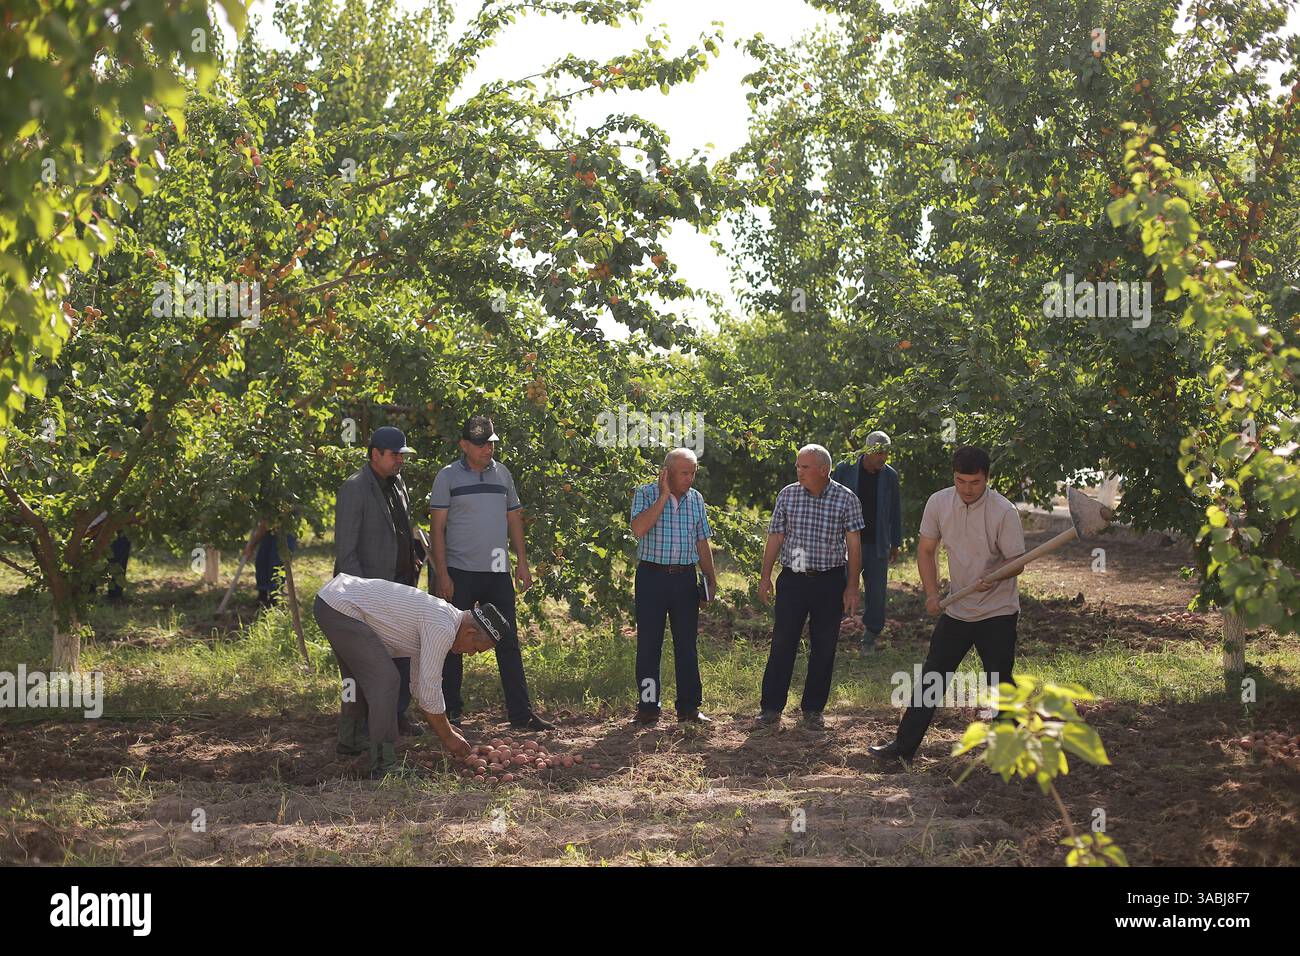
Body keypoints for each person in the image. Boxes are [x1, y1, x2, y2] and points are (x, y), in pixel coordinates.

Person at [869, 445, 1026, 764]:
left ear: (987, 479)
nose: (967, 489)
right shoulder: (939, 502)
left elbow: (1017, 561)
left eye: (975, 482)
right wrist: (931, 593)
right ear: (953, 476)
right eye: (961, 481)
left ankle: (1007, 753)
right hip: (957, 610)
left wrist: (994, 577)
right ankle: (903, 749)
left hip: (997, 612)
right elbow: (926, 550)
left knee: (1000, 683)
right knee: (932, 678)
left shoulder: (1004, 511)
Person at [427, 414, 554, 731]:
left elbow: (514, 519)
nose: (488, 450)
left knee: (507, 639)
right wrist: (442, 574)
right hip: (459, 570)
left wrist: (521, 562)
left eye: (491, 444)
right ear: (464, 445)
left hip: (498, 569)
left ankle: (521, 713)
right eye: (481, 445)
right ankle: (451, 714)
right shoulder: (447, 478)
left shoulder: (503, 474)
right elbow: (437, 529)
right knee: (453, 642)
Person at [313, 573, 505, 778]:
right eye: (476, 648)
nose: (470, 653)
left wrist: (446, 730)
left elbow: (420, 686)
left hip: (332, 599)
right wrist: (448, 736)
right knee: (386, 681)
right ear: (469, 633)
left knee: (353, 678)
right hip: (341, 607)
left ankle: (350, 738)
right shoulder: (443, 626)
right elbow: (430, 689)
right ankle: (383, 762)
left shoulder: (442, 616)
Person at [756, 444, 863, 730]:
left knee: (824, 646)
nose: (799, 472)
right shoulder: (788, 494)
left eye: (805, 467)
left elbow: (854, 545)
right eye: (798, 466)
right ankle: (770, 709)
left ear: (823, 470)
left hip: (829, 580)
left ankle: (813, 710)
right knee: (782, 643)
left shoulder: (846, 498)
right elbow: (776, 536)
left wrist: (852, 586)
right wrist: (765, 575)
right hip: (793, 580)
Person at [333, 426, 425, 748]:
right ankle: (355, 731)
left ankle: (396, 715)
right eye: (395, 454)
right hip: (367, 594)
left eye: (403, 454)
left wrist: (412, 556)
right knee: (359, 666)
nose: (401, 459)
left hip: (399, 586)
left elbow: (401, 529)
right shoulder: (355, 488)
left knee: (400, 654)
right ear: (375, 454)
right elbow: (346, 553)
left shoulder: (397, 484)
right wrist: (365, 599)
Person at [629, 448, 718, 725]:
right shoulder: (645, 493)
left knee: (686, 645)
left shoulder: (696, 500)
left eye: (692, 473)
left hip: (684, 579)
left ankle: (689, 708)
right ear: (666, 472)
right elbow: (639, 529)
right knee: (649, 645)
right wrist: (664, 495)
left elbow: (702, 541)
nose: (690, 478)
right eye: (684, 473)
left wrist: (710, 578)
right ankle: (648, 707)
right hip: (651, 577)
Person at [831, 431, 902, 650]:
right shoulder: (845, 468)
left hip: (877, 543)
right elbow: (829, 499)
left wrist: (895, 541)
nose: (882, 458)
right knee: (837, 587)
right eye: (878, 453)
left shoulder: (890, 476)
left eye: (885, 454)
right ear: (866, 450)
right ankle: (830, 633)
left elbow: (895, 510)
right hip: (845, 542)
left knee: (877, 593)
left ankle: (870, 637)